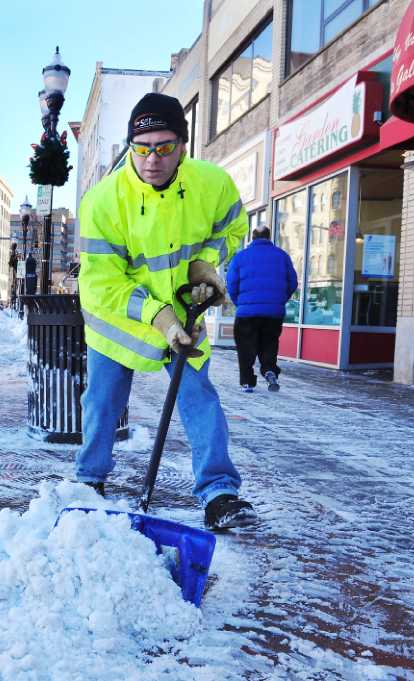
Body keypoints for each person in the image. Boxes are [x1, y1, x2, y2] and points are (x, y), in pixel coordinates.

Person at [76, 92, 256, 531]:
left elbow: (232, 227)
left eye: (164, 147)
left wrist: (205, 265)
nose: (151, 159)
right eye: (141, 148)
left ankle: (219, 494)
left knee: (199, 398)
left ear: (183, 146)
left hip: (184, 312)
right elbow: (101, 282)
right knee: (103, 401)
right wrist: (157, 316)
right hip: (119, 321)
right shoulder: (102, 202)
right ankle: (88, 481)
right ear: (129, 148)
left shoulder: (211, 184)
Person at [225, 225, 298, 393]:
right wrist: (278, 301)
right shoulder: (282, 256)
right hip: (273, 313)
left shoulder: (240, 257)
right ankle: (269, 369)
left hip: (246, 313)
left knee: (245, 347)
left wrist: (240, 303)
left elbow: (231, 284)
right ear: (269, 236)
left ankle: (247, 382)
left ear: (252, 237)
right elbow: (292, 282)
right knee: (269, 343)